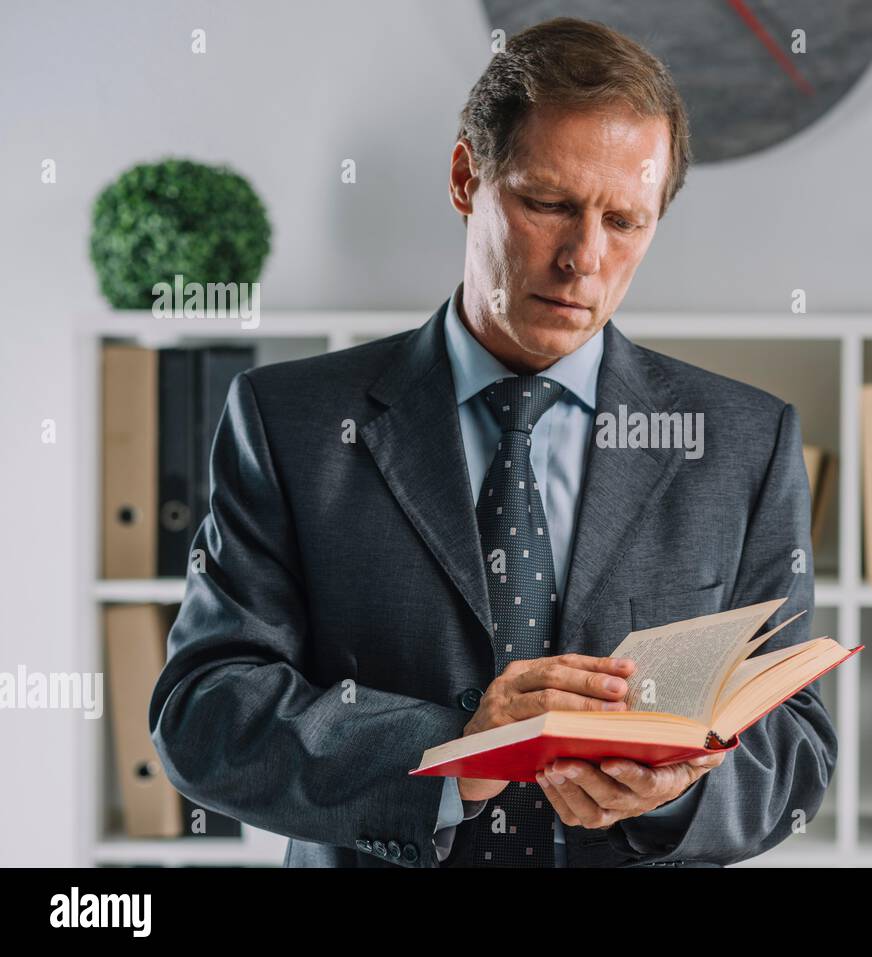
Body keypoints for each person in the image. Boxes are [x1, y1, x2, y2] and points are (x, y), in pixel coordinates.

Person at [149, 16, 835, 868]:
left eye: (625, 221)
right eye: (548, 203)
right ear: (466, 177)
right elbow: (204, 714)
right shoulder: (287, 420)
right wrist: (451, 750)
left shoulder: (748, 441)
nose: (584, 257)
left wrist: (678, 793)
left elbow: (799, 744)